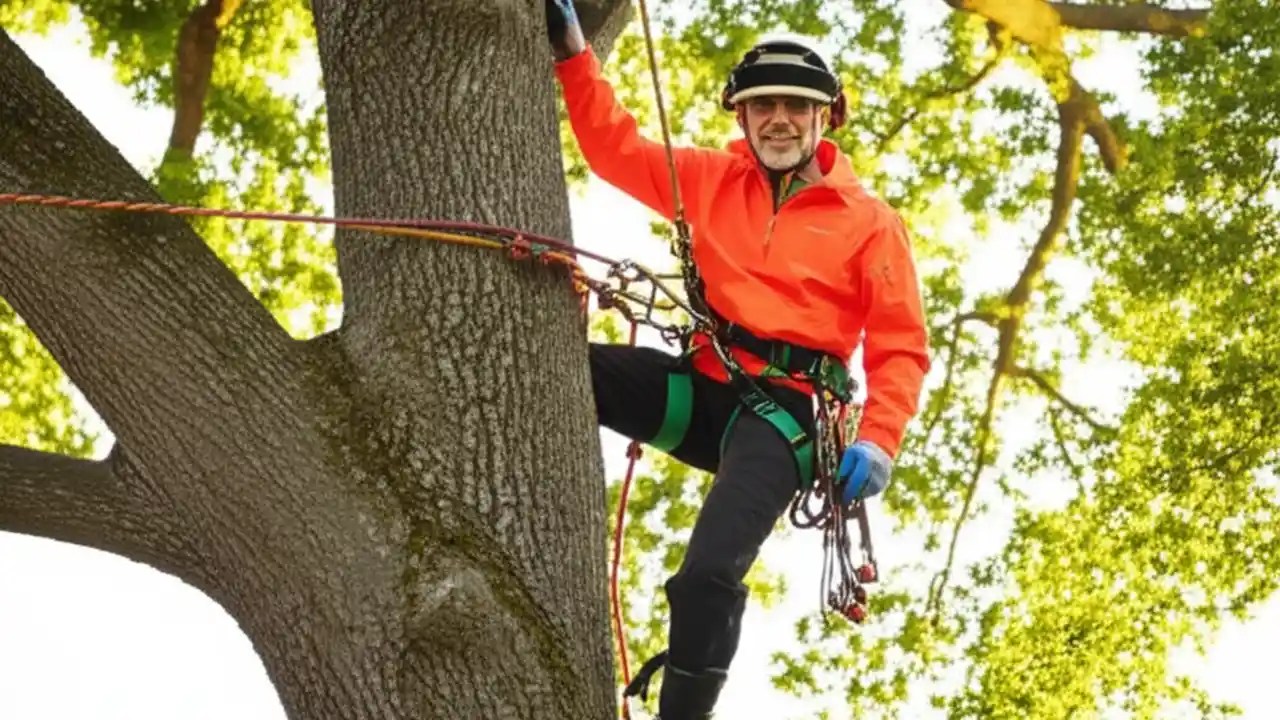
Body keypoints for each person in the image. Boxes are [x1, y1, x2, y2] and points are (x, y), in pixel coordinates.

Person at [544, 2, 931, 717]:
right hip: (704, 390)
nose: (778, 119)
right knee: (553, 377)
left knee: (705, 577)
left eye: (794, 107)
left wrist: (879, 442)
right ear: (742, 118)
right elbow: (615, 148)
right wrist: (574, 57)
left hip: (784, 419)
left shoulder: (870, 224)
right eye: (763, 107)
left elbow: (901, 344)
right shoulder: (709, 180)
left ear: (825, 118)